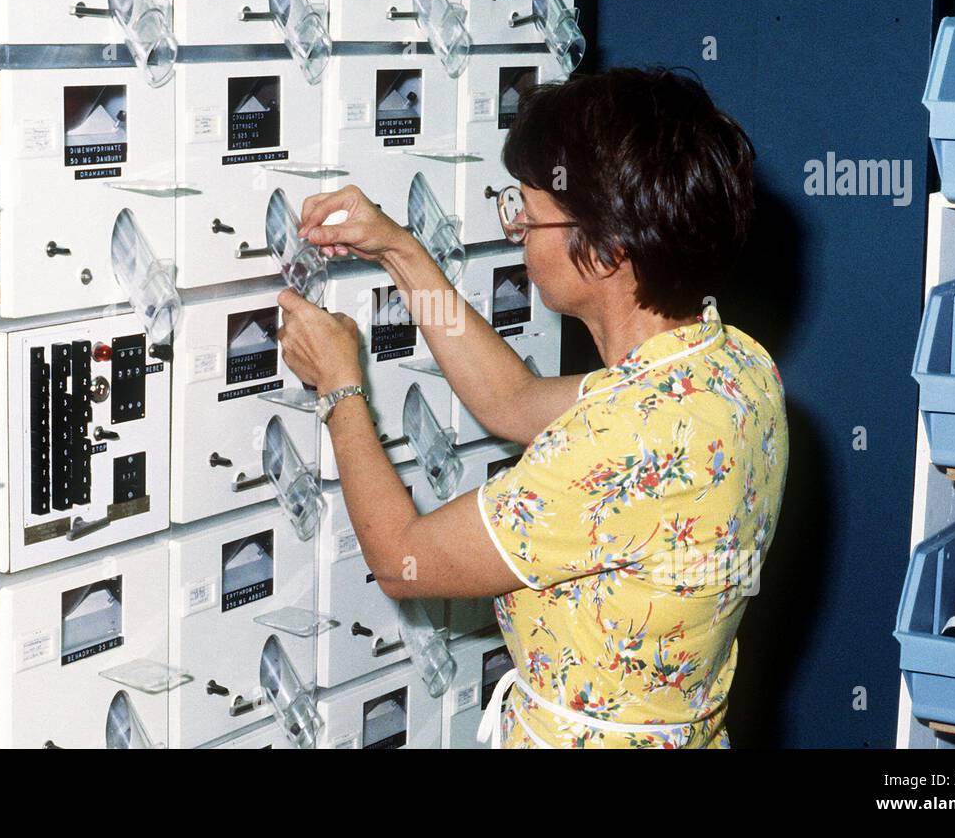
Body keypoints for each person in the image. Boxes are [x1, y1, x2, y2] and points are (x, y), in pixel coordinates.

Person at [275, 67, 788, 749]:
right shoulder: (731, 368)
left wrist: (340, 387)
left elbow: (404, 561)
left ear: (605, 251)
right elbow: (511, 401)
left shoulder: (614, 445)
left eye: (527, 211)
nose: (516, 229)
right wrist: (399, 249)